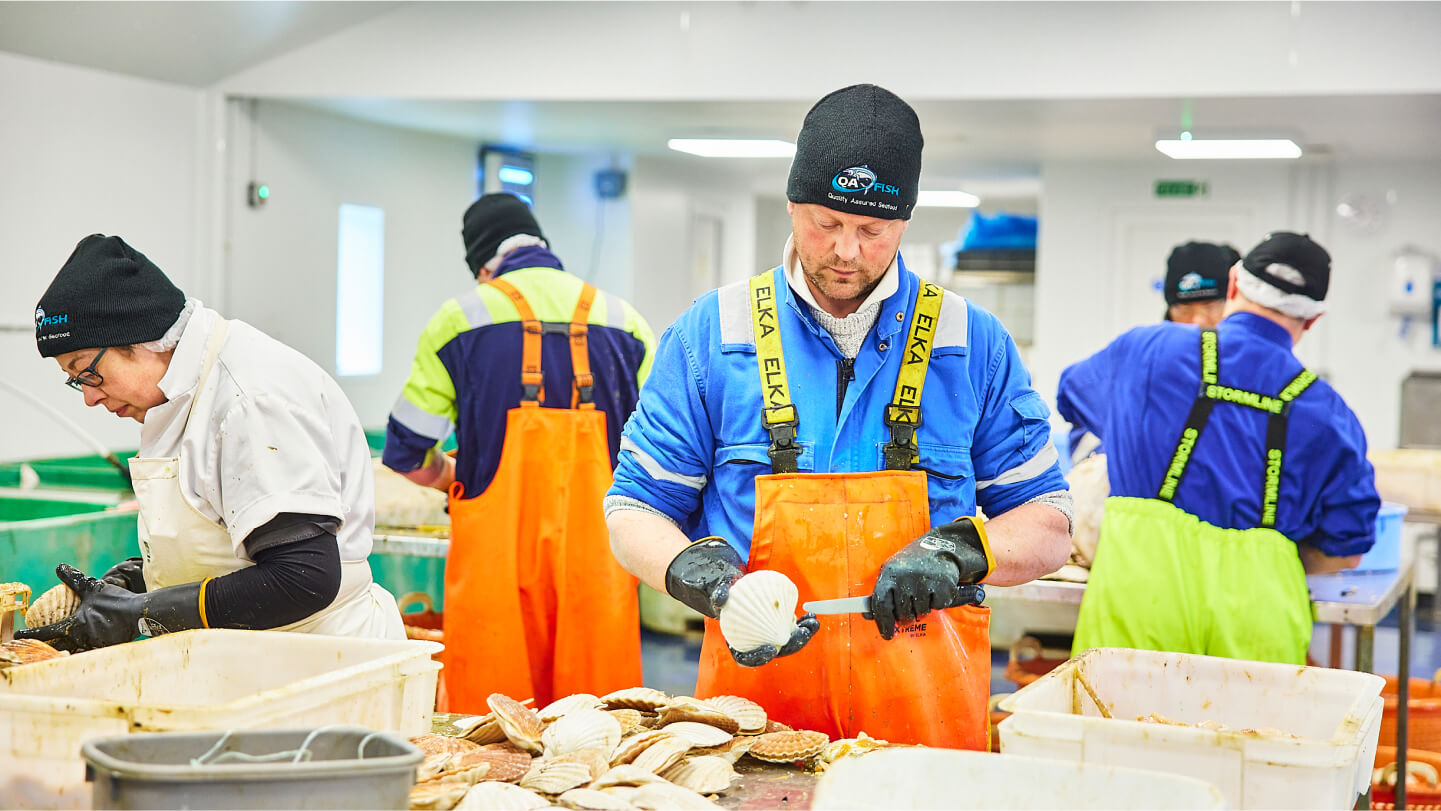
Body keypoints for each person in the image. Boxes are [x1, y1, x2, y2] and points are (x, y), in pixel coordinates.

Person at [604, 84, 1072, 750]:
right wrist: (698, 575)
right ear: (793, 204)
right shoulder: (711, 335)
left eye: (871, 230)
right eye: (825, 222)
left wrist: (963, 549)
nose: (845, 250)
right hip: (749, 718)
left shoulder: (972, 344)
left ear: (903, 224)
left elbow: (1049, 523)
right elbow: (633, 510)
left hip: (924, 725)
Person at [20, 234, 405, 653]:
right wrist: (138, 581)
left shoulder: (250, 397)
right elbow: (227, 539)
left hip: (323, 660)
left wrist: (140, 611)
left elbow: (304, 576)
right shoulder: (181, 397)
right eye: (75, 382)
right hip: (249, 660)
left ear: (139, 338)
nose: (90, 396)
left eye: (87, 371)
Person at [383, 192, 655, 711]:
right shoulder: (626, 321)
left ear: (483, 265)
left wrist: (450, 476)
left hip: (495, 562)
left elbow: (406, 451)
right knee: (602, 725)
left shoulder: (459, 320)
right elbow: (665, 450)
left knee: (492, 727)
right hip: (601, 558)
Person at [1059, 231, 1379, 664]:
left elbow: (1071, 394)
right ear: (1312, 321)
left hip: (1140, 605)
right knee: (1247, 733)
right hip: (1257, 626)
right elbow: (1349, 547)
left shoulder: (1147, 351)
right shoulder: (1331, 415)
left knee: (1122, 727)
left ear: (1233, 285)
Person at [1068, 240, 1238, 465]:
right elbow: (1085, 441)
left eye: (1209, 307)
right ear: (1169, 309)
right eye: (1184, 309)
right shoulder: (1139, 360)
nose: (1197, 321)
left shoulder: (1248, 366)